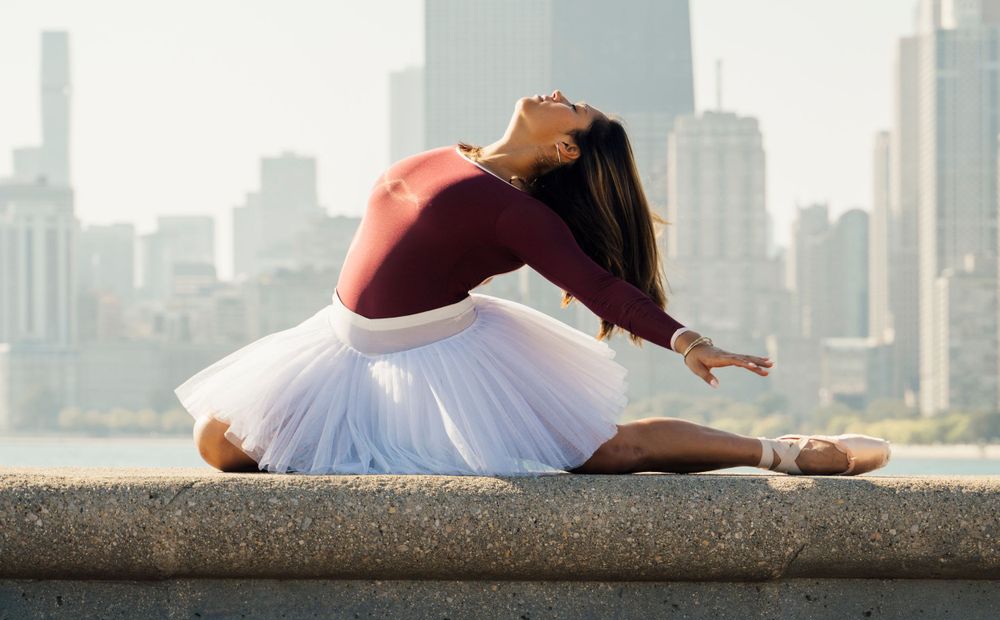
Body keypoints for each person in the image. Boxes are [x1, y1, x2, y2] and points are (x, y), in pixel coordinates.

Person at [177, 91, 891, 479]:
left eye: (572, 108)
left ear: (564, 147)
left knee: (606, 453)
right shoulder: (451, 153)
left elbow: (599, 286)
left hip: (435, 357)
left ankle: (781, 452)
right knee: (220, 447)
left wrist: (687, 341)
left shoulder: (519, 214)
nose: (558, 93)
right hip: (335, 345)